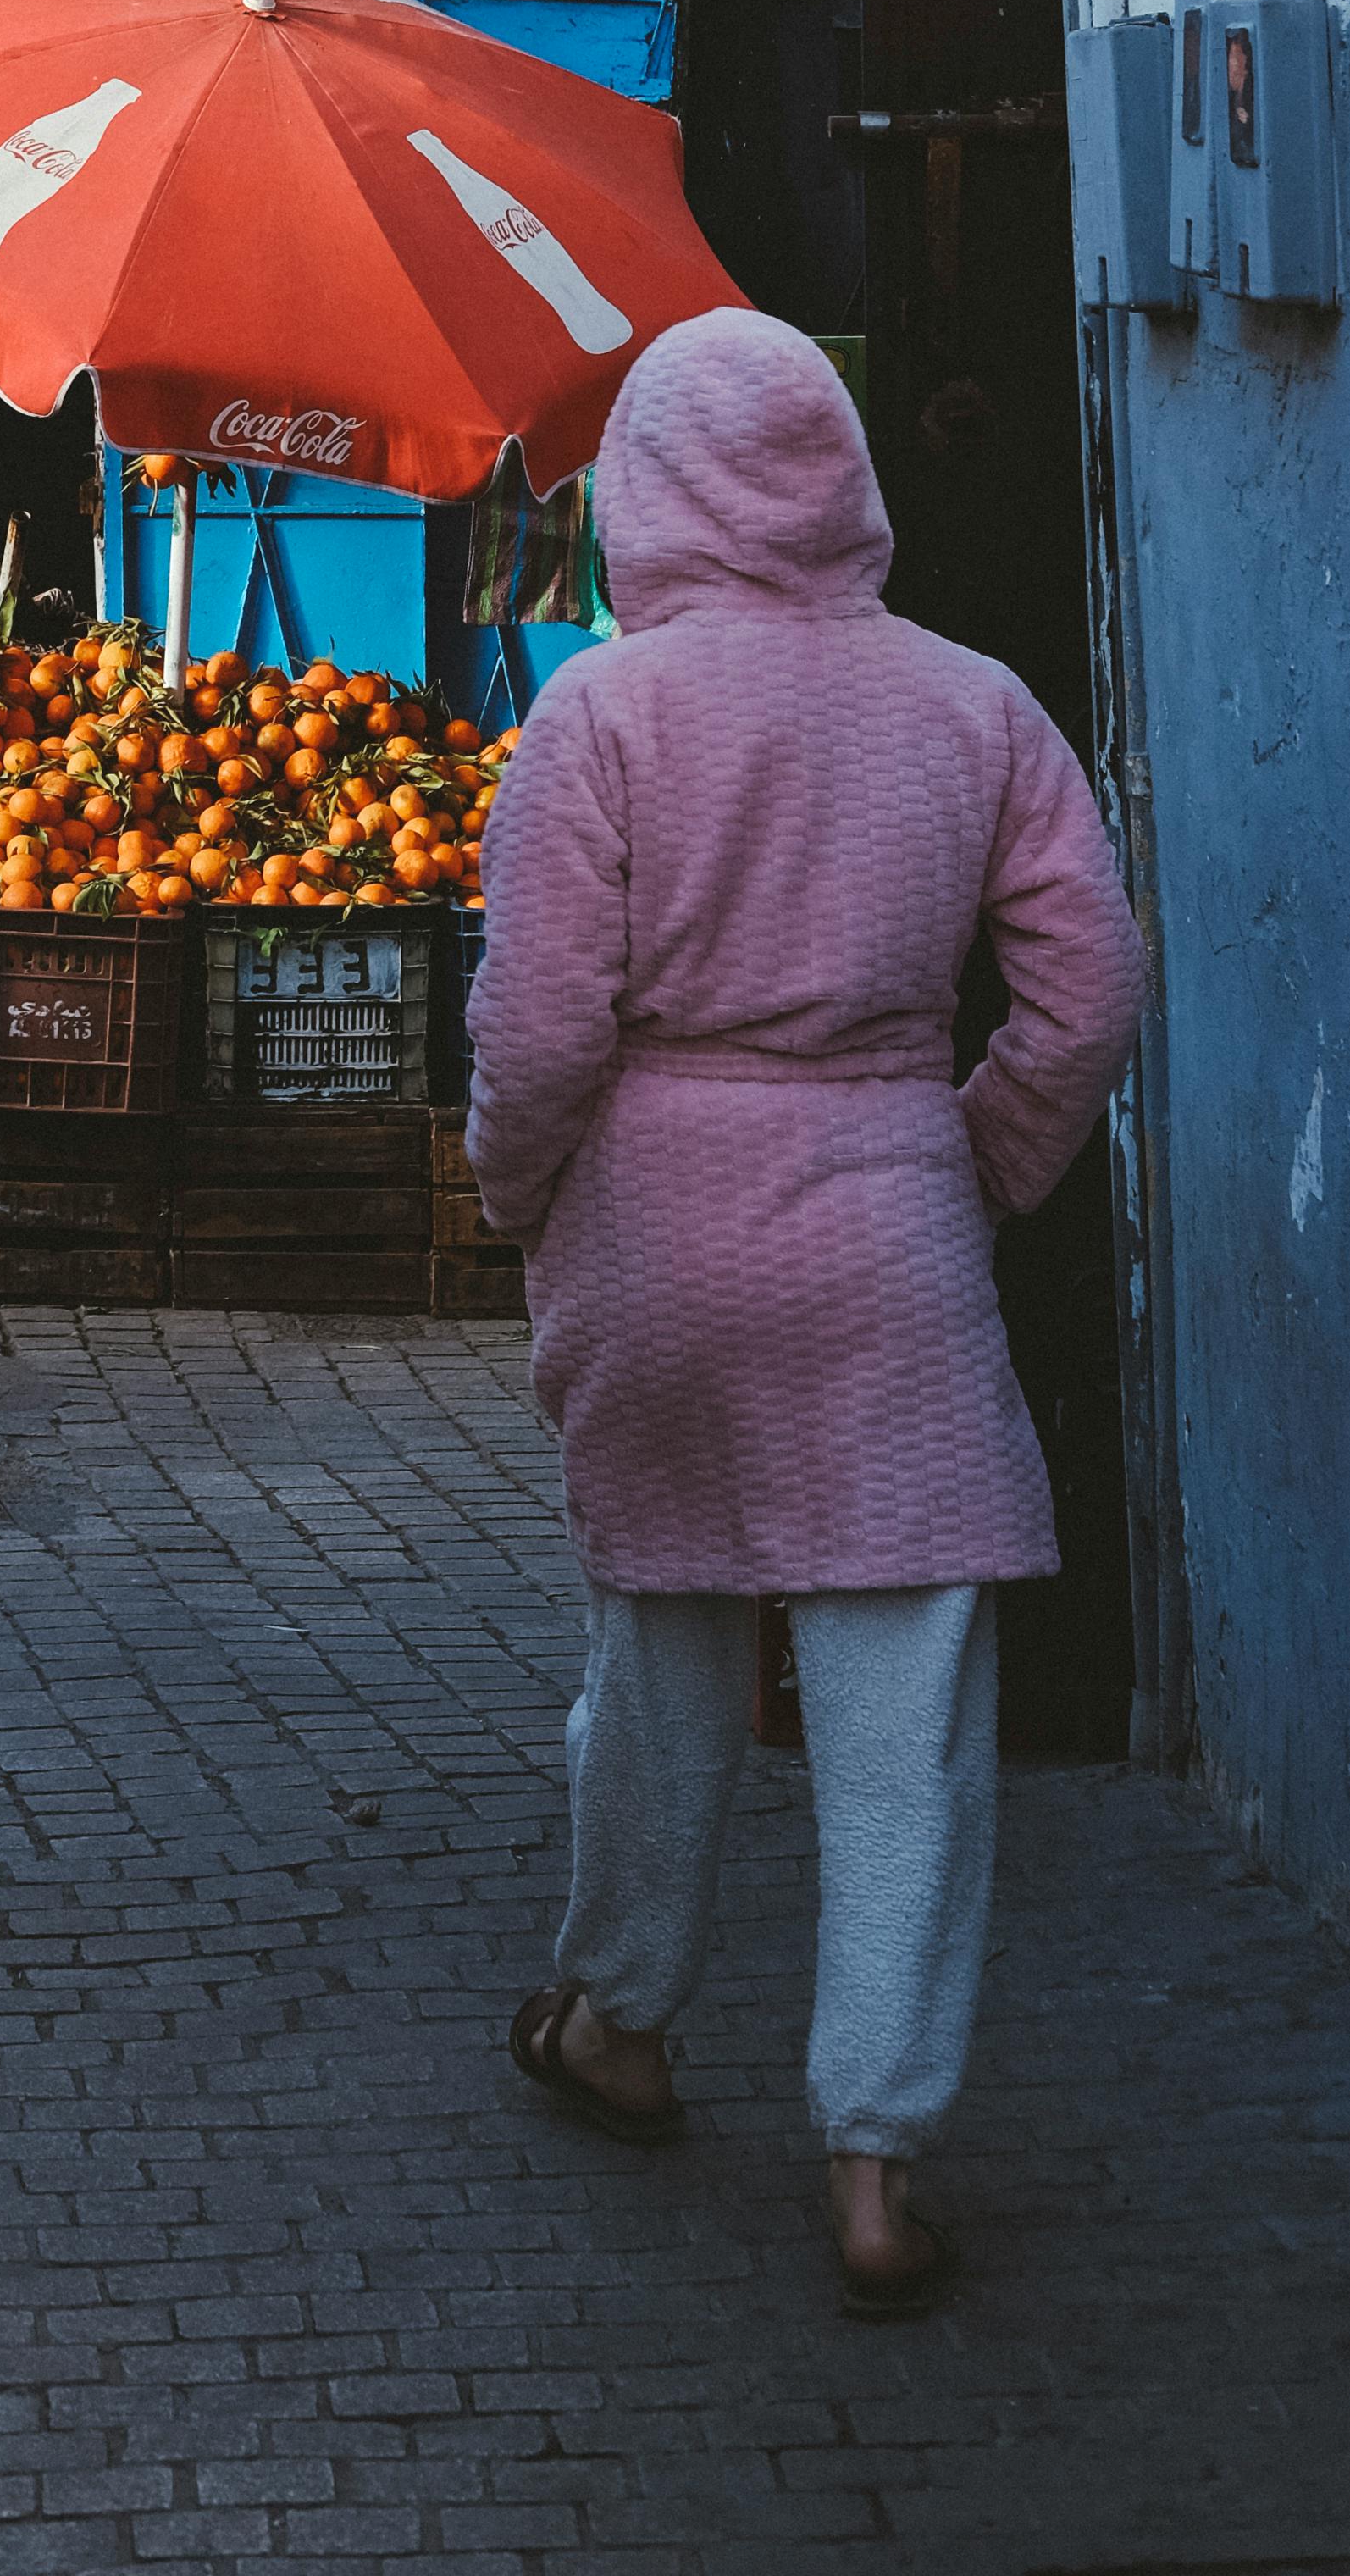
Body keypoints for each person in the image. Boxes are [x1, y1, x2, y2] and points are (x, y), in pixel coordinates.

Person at [465, 303, 1147, 2320]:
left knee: (657, 1653)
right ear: (845, 475)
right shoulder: (970, 706)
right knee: (900, 1713)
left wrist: (530, 1207)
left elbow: (534, 1030)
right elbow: (1086, 990)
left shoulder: (595, 715)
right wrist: (976, 1153)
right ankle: (871, 2167)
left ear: (648, 490)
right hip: (885, 1236)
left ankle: (618, 2020)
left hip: (656, 1238)